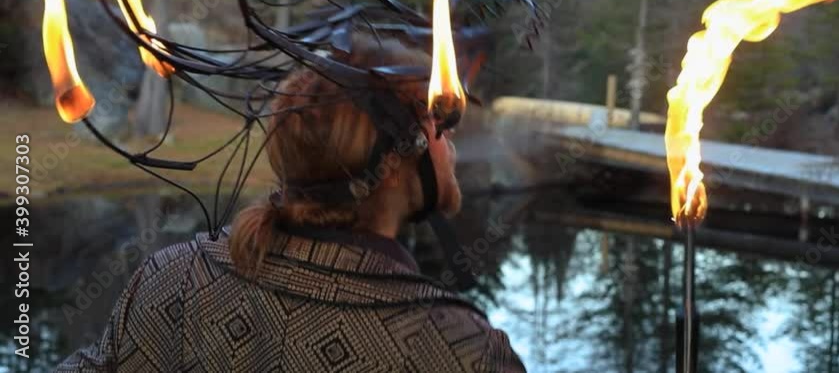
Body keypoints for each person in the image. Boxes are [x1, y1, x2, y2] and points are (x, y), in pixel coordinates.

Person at [56, 36, 526, 372]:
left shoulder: (169, 281)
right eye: (437, 124)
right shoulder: (461, 351)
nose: (450, 142)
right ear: (393, 165)